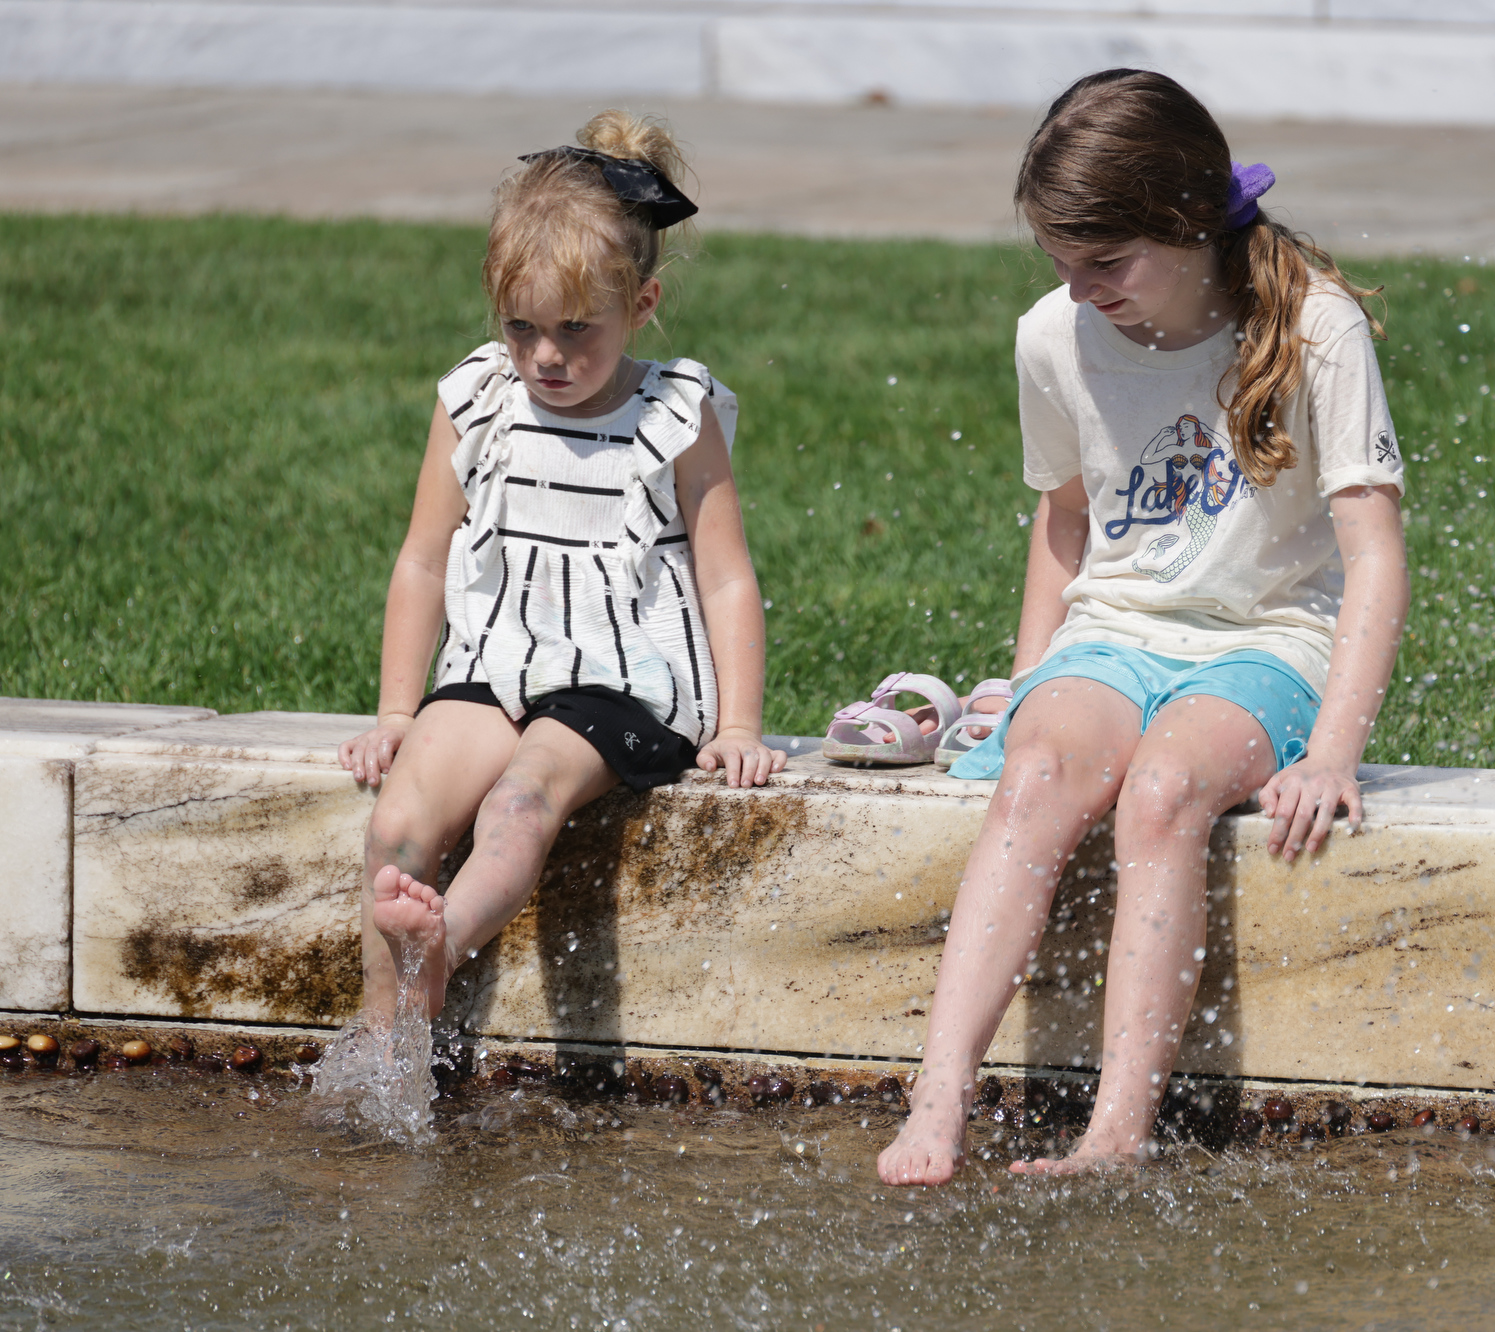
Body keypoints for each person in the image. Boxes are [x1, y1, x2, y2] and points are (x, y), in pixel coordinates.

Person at [877, 70, 1409, 1186]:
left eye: (1104, 264)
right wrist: (1026, 689)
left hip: (1267, 643)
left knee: (1164, 789)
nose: (1077, 293)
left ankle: (1116, 1132)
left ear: (1185, 223)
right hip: (1115, 629)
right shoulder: (1055, 336)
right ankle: (937, 1101)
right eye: (1060, 265)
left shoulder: (1313, 328)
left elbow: (1371, 560)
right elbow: (1063, 522)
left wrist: (1332, 753)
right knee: (1036, 774)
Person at [337, 111, 784, 1026]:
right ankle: (389, 1063)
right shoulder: (476, 401)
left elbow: (728, 577)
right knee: (395, 828)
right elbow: (424, 562)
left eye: (576, 328)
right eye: (522, 327)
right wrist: (394, 711)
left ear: (643, 304)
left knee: (518, 806)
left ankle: (438, 944)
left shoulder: (676, 416)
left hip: (622, 677)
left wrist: (739, 722)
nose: (546, 356)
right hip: (497, 660)